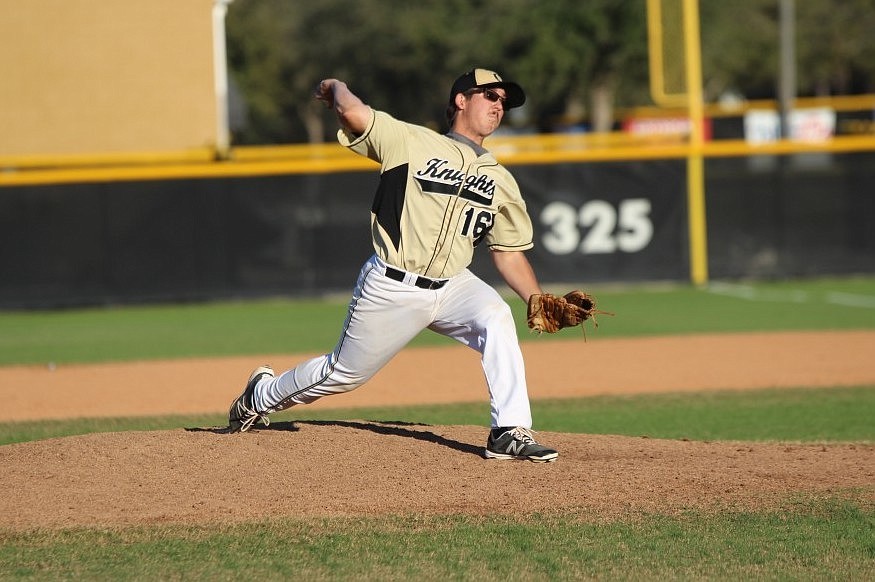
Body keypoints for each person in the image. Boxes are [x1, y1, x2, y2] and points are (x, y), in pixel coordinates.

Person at [228, 68, 558, 462]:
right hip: (393, 284)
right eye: (491, 96)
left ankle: (508, 431)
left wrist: (535, 298)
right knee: (342, 374)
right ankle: (260, 395)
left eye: (504, 101)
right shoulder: (410, 140)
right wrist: (336, 87)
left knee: (496, 315)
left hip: (453, 284)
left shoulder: (501, 180)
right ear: (461, 100)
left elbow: (507, 251)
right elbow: (355, 115)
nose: (499, 106)